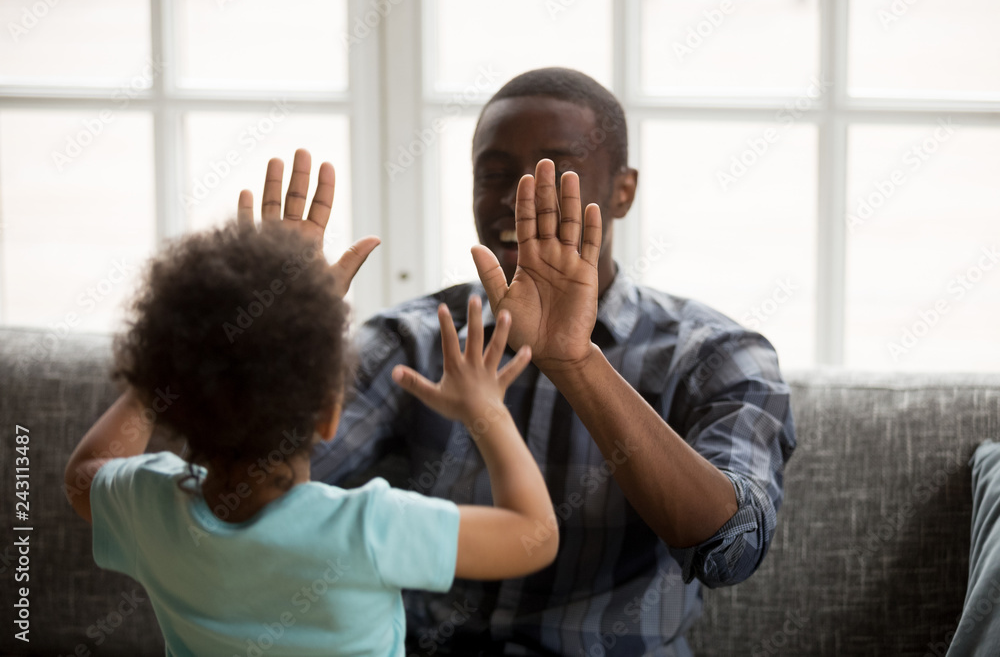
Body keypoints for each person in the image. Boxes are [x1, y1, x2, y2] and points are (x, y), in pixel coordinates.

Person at [288, 67, 797, 657]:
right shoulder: (413, 339)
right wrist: (282, 341)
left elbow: (730, 549)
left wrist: (575, 360)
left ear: (624, 190)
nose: (514, 197)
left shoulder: (715, 354)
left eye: (551, 174)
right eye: (495, 174)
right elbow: (258, 495)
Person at [62, 187, 562, 654]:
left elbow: (88, 470)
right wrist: (487, 412)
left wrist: (172, 362)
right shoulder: (368, 529)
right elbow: (534, 534)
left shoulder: (150, 504)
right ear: (328, 416)